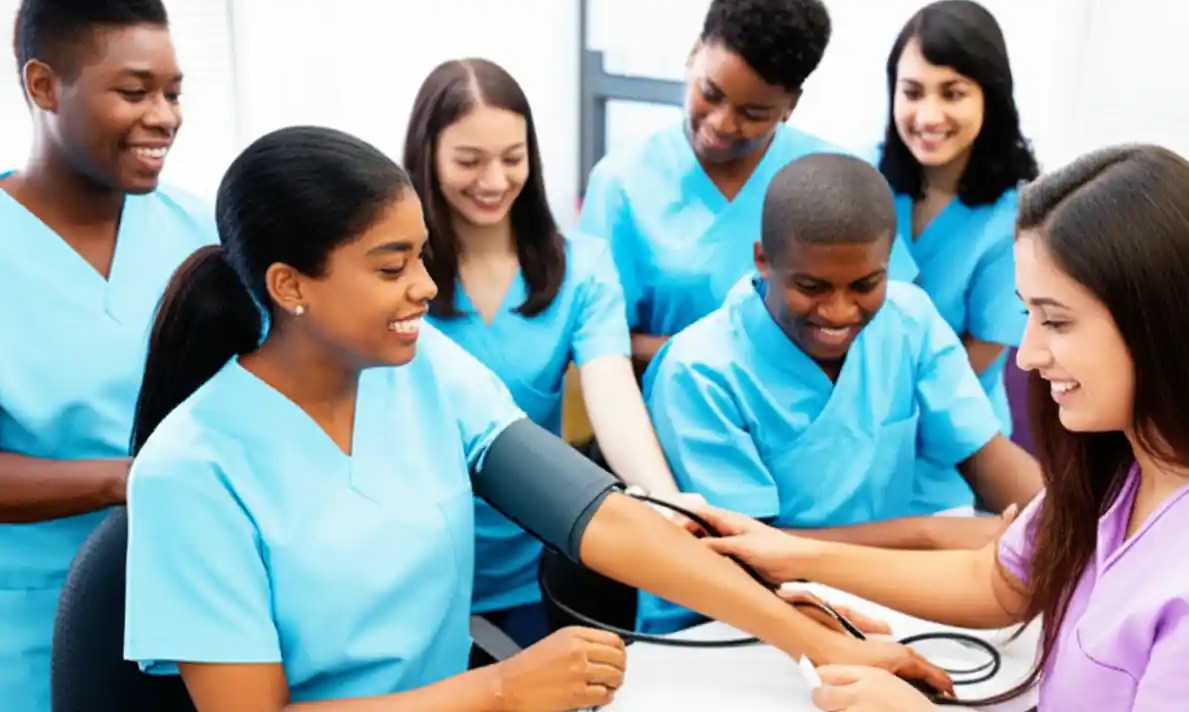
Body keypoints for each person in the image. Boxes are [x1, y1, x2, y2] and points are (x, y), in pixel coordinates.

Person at [122, 125, 956, 710]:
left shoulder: (421, 369)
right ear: (290, 285)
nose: (424, 287)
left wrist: (818, 639)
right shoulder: (190, 471)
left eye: (421, 256)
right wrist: (498, 690)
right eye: (391, 266)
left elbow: (601, 518)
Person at [693, 144, 1189, 710]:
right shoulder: (1126, 467)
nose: (1027, 355)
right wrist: (793, 554)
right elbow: (999, 582)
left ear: (1161, 322)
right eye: (1028, 313)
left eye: (1056, 321)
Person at [639, 152, 1041, 634]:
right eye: (811, 287)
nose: (839, 311)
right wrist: (929, 535)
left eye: (866, 284)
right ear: (763, 260)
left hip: (866, 590)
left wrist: (1066, 525)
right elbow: (749, 551)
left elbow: (983, 455)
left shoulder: (908, 319)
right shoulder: (699, 371)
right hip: (723, 618)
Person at [402, 57, 695, 649]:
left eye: (512, 158)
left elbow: (615, 402)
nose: (493, 181)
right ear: (427, 156)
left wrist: (668, 503)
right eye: (469, 161)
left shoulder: (582, 270)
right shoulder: (395, 273)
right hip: (411, 571)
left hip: (528, 565)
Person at [0, 0, 213, 709]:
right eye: (134, 91)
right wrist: (127, 480)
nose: (165, 116)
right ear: (43, 85)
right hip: (29, 636)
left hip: (195, 625)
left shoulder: (205, 233)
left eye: (173, 93)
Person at [578, 0, 919, 373]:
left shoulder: (840, 178)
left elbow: (896, 320)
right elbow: (595, 338)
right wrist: (720, 358)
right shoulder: (622, 183)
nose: (721, 124)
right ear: (694, 53)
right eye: (710, 93)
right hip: (676, 399)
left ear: (790, 106)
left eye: (753, 113)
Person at [873, 0, 1040, 438]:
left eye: (953, 93)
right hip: (853, 416)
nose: (928, 117)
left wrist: (876, 416)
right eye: (912, 92)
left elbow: (976, 354)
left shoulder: (1019, 219)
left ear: (991, 96)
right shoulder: (861, 177)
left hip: (952, 433)